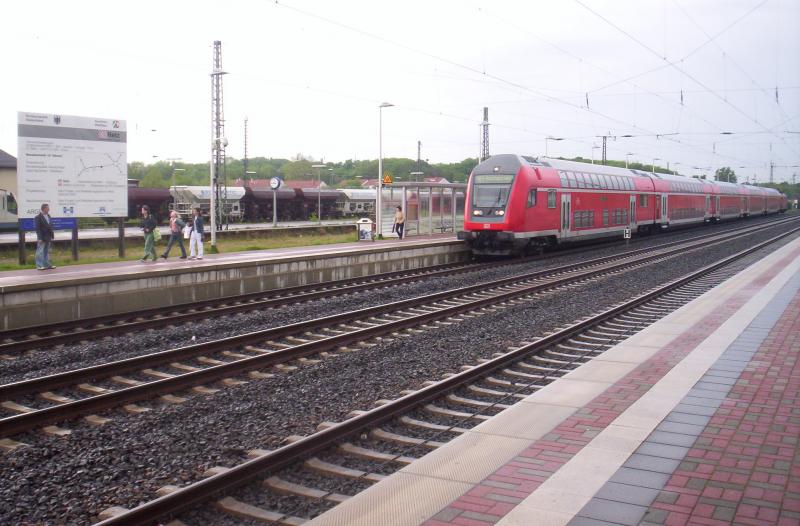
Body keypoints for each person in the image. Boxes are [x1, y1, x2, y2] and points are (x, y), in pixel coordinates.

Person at [34, 203, 56, 270]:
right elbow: (38, 229)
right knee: (40, 252)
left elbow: (50, 226)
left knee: (46, 252)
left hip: (48, 237)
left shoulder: (49, 216)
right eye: (47, 208)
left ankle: (47, 265)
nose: (49, 209)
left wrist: (52, 236)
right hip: (42, 237)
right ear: (43, 209)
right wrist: (39, 238)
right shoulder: (37, 217)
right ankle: (39, 265)